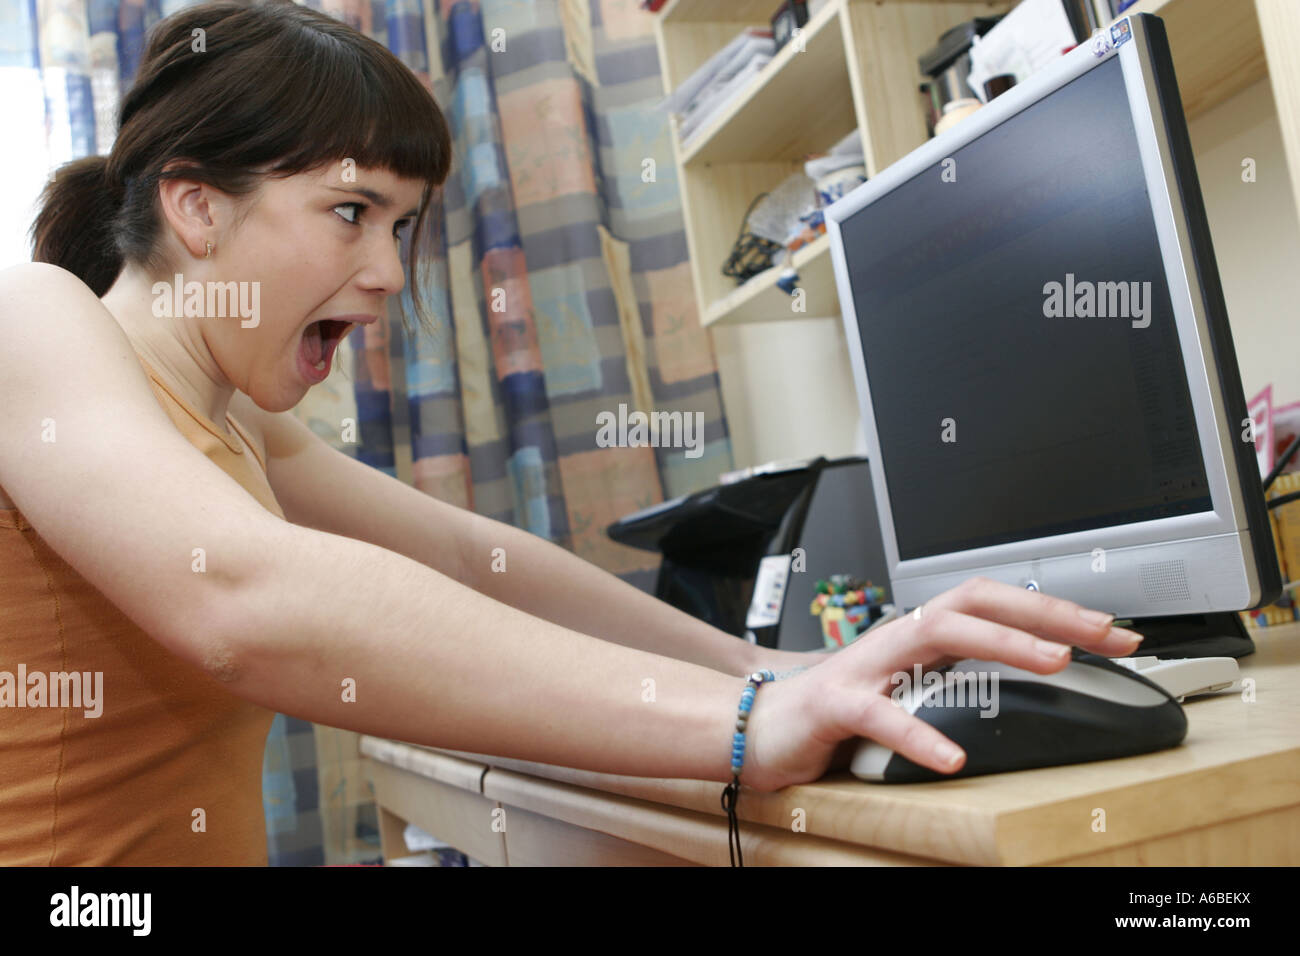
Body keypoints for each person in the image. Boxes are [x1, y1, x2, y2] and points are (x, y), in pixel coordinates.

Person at [0, 0, 1142, 866]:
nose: (389, 272)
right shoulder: (32, 316)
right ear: (197, 207)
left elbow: (472, 560)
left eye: (402, 227)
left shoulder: (238, 425)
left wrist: (771, 667)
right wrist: (745, 721)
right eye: (352, 213)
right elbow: (242, 595)